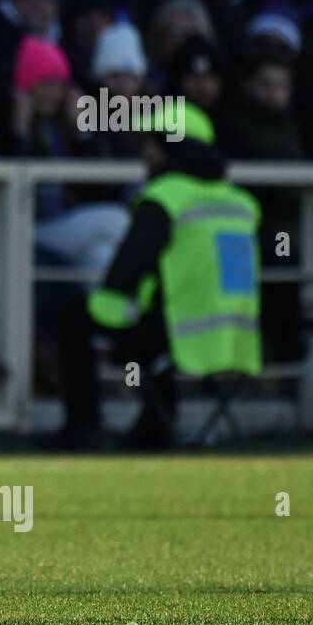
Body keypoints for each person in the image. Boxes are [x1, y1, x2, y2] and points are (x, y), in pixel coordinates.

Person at [52, 103, 261, 449]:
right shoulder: (241, 202)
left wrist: (108, 304)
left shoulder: (164, 197)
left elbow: (129, 265)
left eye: (151, 144)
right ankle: (155, 423)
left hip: (177, 330)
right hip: (235, 332)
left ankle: (83, 426)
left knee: (76, 317)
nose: (145, 154)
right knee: (147, 325)